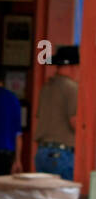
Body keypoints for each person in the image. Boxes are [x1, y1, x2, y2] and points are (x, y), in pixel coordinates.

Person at [34, 45, 79, 181]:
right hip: (62, 152)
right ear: (73, 66)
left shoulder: (47, 87)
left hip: (42, 151)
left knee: (45, 198)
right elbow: (75, 122)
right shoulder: (72, 88)